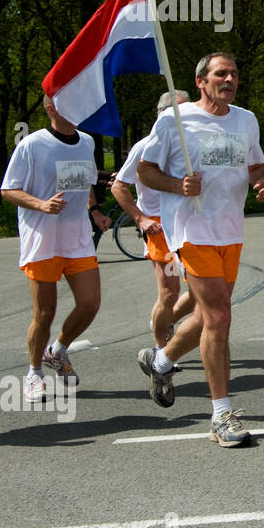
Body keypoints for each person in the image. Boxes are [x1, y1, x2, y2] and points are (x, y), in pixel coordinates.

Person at [136, 53, 264, 446]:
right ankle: (221, 415)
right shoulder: (174, 121)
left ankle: (160, 361)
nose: (229, 79)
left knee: (209, 314)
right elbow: (144, 172)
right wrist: (177, 184)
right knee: (219, 317)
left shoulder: (246, 119)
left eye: (234, 73)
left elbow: (256, 168)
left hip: (230, 229)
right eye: (221, 73)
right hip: (191, 230)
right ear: (201, 81)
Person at [1, 95, 107, 402]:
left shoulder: (86, 142)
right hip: (43, 239)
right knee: (45, 312)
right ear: (51, 108)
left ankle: (57, 350)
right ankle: (34, 372)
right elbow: (8, 188)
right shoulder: (32, 145)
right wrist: (41, 205)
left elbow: (85, 180)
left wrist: (95, 211)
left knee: (90, 304)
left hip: (77, 238)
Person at [111, 90, 196, 361]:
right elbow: (119, 186)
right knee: (170, 291)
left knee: (197, 293)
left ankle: (163, 321)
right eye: (181, 111)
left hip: (189, 223)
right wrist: (141, 219)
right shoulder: (145, 146)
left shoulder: (190, 144)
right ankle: (161, 350)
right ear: (164, 115)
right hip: (159, 228)